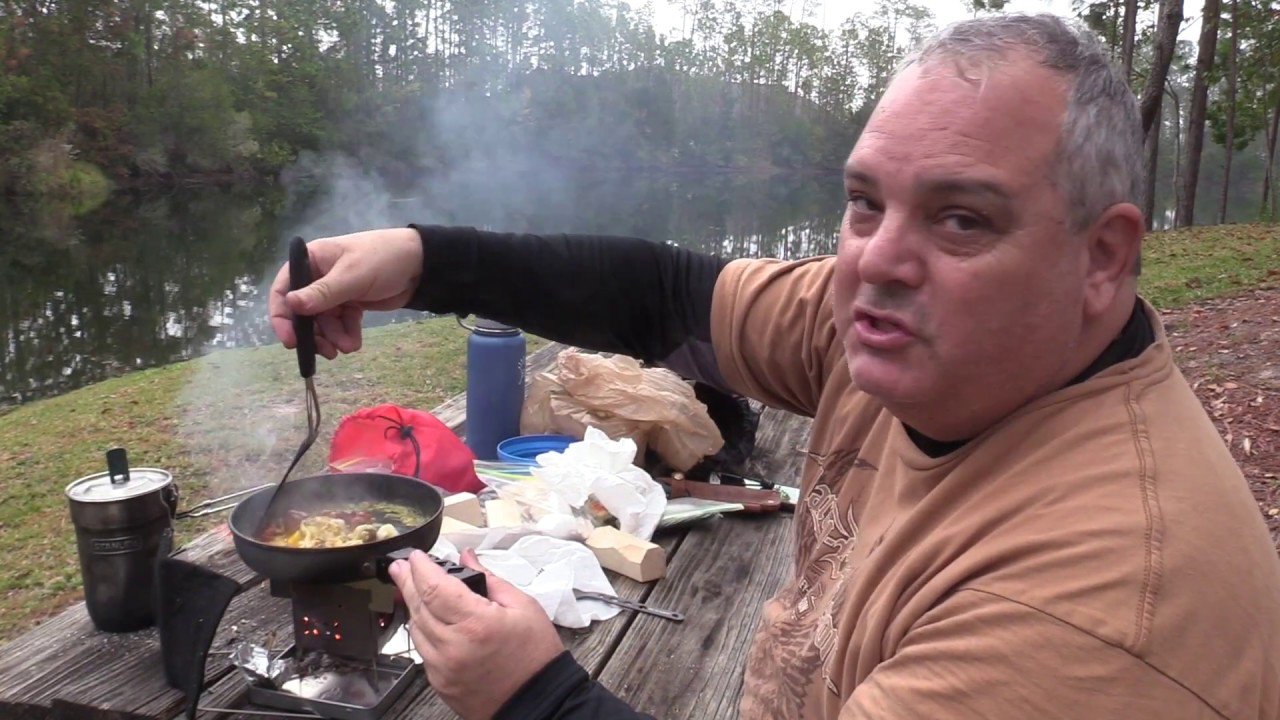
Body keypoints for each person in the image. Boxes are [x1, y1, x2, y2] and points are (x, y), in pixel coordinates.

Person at [268, 13, 1280, 720]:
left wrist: (535, 696)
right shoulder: (918, 338)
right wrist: (425, 259)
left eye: (960, 218)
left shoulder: (1088, 611)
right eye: (863, 201)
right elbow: (664, 295)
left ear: (1099, 257)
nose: (873, 262)